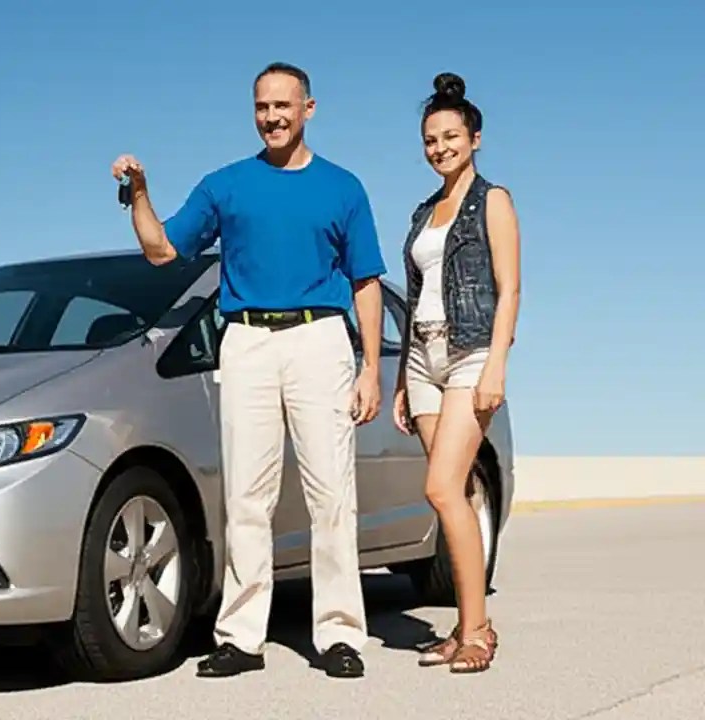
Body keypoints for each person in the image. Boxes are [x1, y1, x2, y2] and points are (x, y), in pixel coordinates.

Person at [110, 61, 386, 679]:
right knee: (247, 497)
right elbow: (161, 250)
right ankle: (240, 636)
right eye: (262, 107)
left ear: (308, 109)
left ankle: (340, 634)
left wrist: (369, 367)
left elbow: (367, 281)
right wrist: (140, 192)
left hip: (320, 340)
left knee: (331, 493)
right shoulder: (225, 185)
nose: (272, 117)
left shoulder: (343, 188)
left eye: (284, 106)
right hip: (247, 343)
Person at [391, 72, 521, 674]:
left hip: (471, 355)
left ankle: (482, 631)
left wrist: (497, 363)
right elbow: (415, 297)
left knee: (442, 487)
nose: (439, 147)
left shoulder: (493, 200)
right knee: (459, 495)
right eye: (430, 140)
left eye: (450, 136)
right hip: (422, 358)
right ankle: (463, 627)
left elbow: (509, 287)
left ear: (474, 138)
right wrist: (399, 378)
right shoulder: (423, 213)